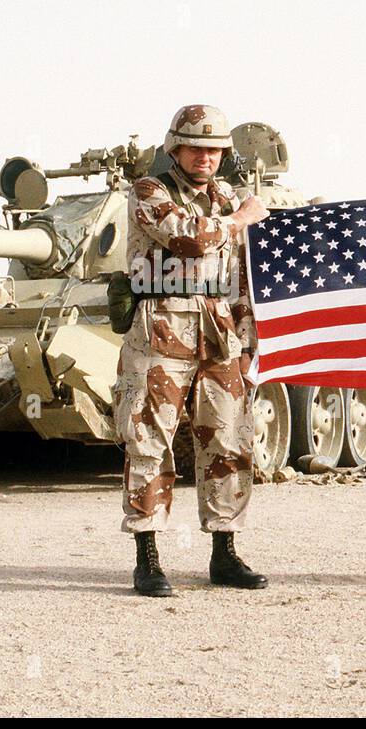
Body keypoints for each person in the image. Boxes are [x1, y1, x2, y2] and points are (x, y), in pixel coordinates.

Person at [114, 104, 271, 596]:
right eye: (195, 148)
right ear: (174, 148)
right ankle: (148, 558)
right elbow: (187, 239)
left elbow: (239, 277)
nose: (205, 157)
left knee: (228, 440)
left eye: (214, 150)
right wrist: (242, 217)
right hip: (159, 330)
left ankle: (224, 554)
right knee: (149, 443)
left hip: (219, 333)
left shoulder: (225, 195)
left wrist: (249, 342)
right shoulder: (149, 191)